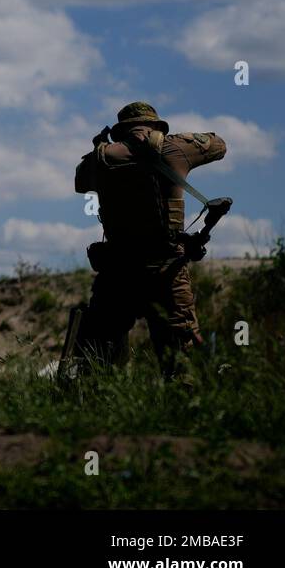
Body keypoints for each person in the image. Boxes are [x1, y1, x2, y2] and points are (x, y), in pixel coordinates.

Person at [73, 101, 227, 380]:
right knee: (180, 358)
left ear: (120, 131)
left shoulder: (100, 158)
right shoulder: (175, 148)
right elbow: (219, 145)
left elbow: (79, 183)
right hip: (167, 270)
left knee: (95, 356)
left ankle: (89, 412)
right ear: (155, 126)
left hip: (117, 271)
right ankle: (182, 412)